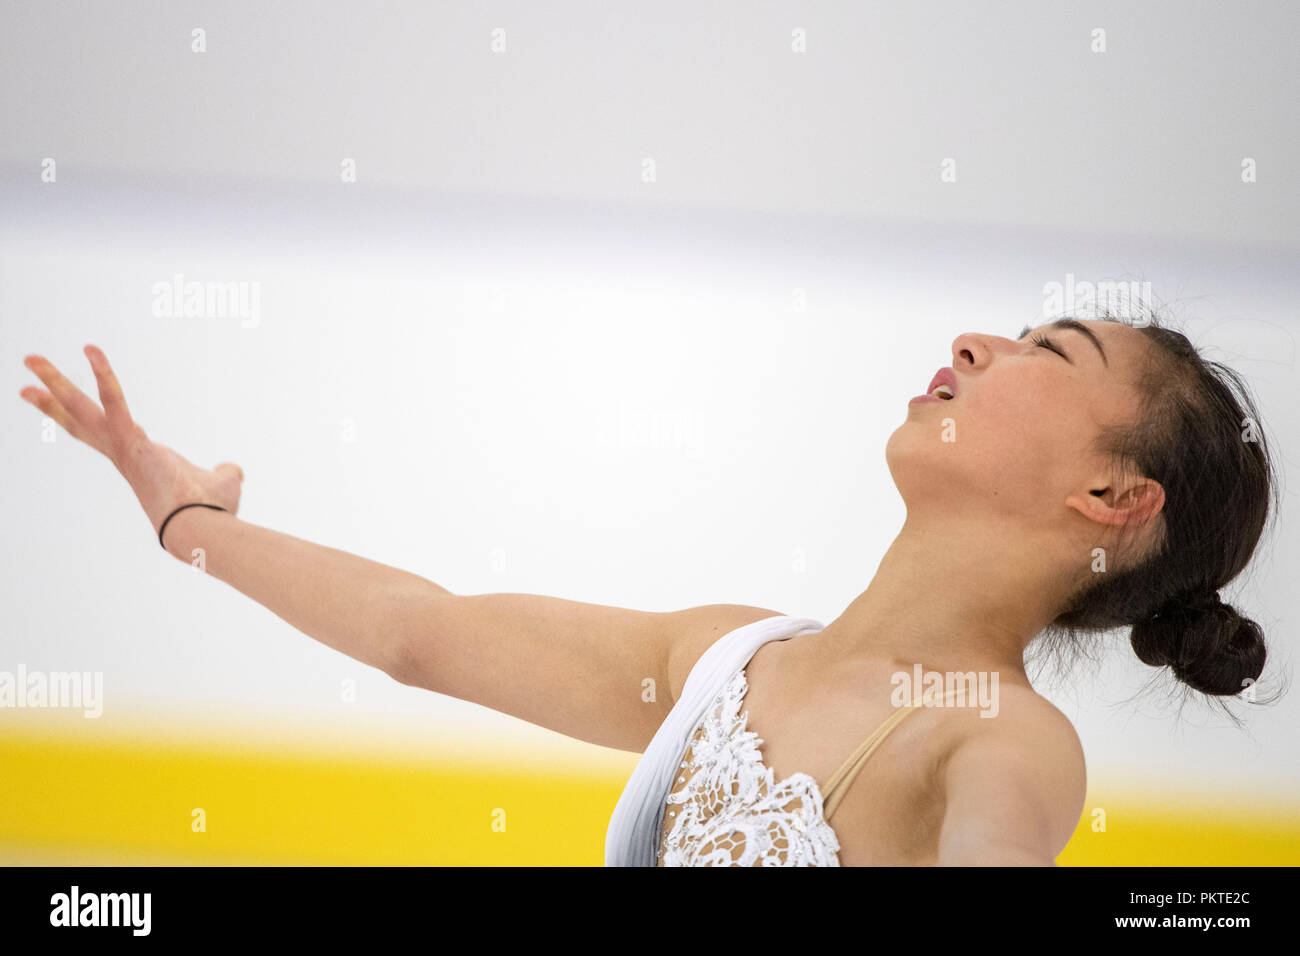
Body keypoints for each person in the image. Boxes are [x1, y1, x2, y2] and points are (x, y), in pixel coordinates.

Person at [18, 312, 1278, 866]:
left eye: (1046, 349)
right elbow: (421, 632)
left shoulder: (1000, 737)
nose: (969, 342)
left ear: (1114, 500)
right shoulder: (727, 657)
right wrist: (187, 521)